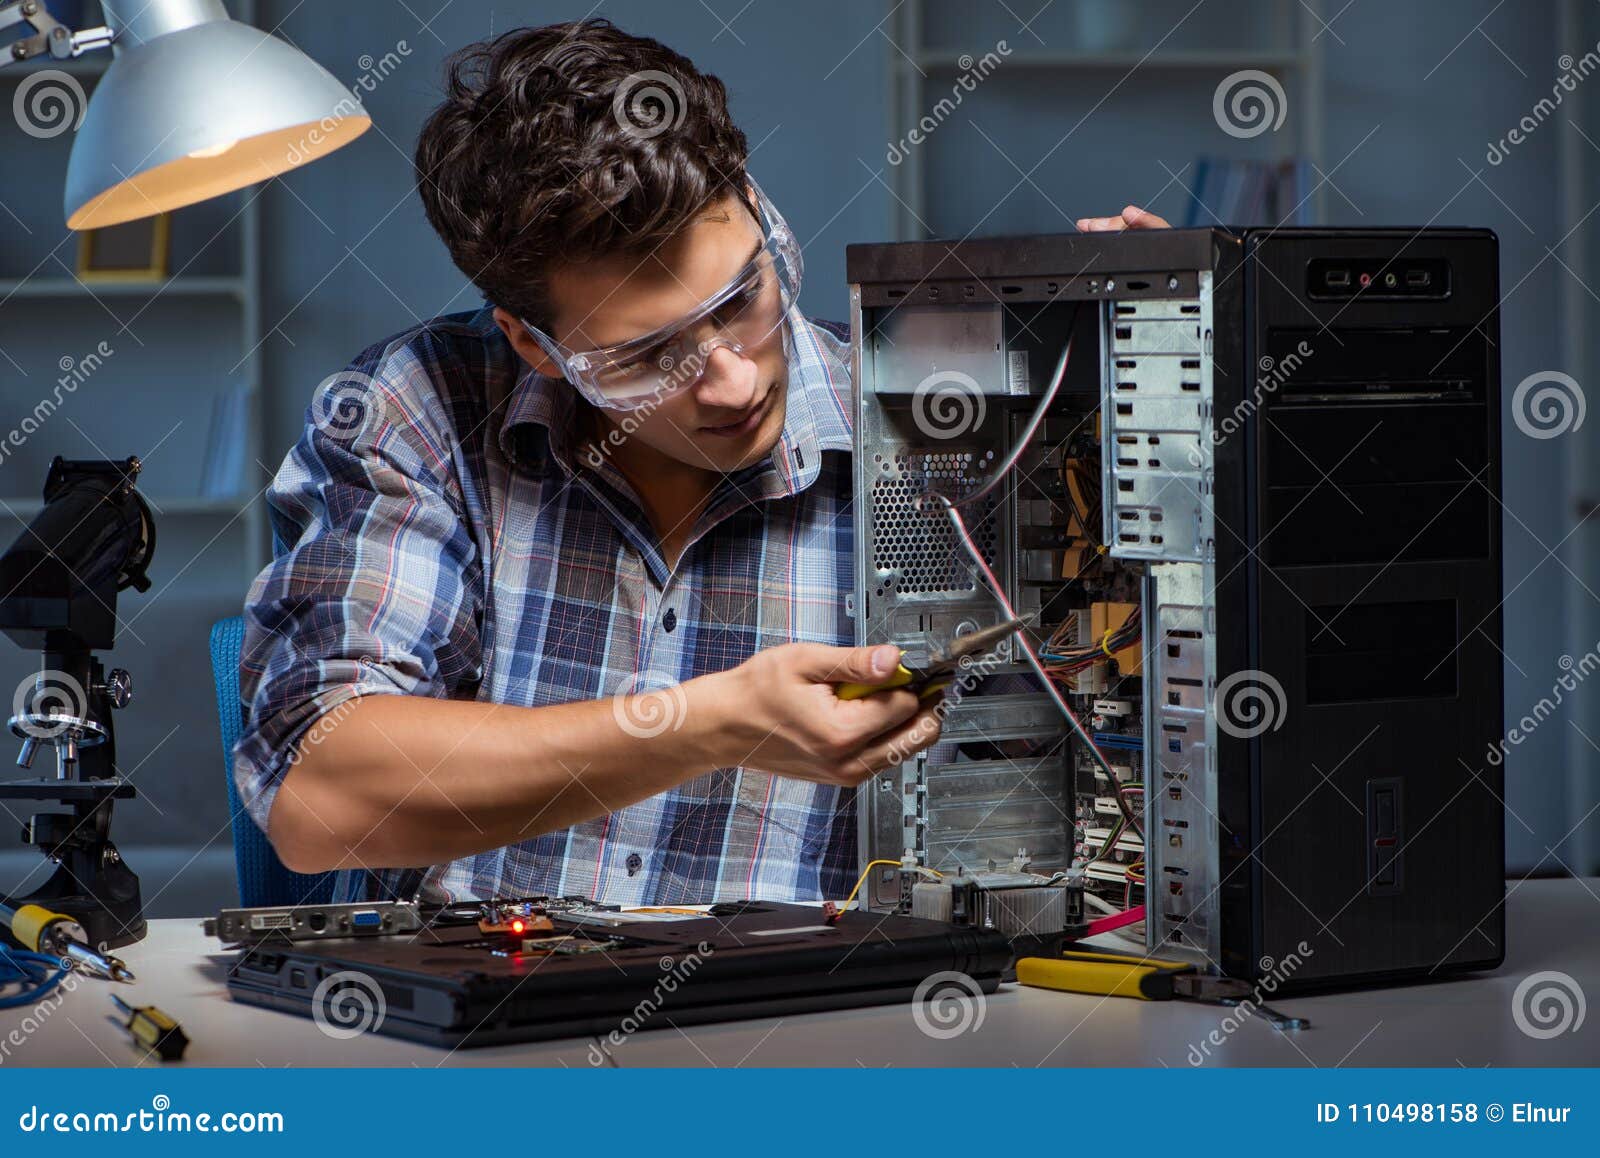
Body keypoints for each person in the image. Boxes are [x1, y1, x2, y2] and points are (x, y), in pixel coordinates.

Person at [234, 18, 1168, 906]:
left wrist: (1160, 409)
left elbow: (1131, 700)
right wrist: (709, 725)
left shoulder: (953, 432)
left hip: (823, 1036)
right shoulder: (417, 409)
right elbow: (320, 798)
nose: (728, 382)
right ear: (533, 345)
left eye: (741, 299)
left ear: (757, 211)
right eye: (647, 357)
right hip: (500, 1038)